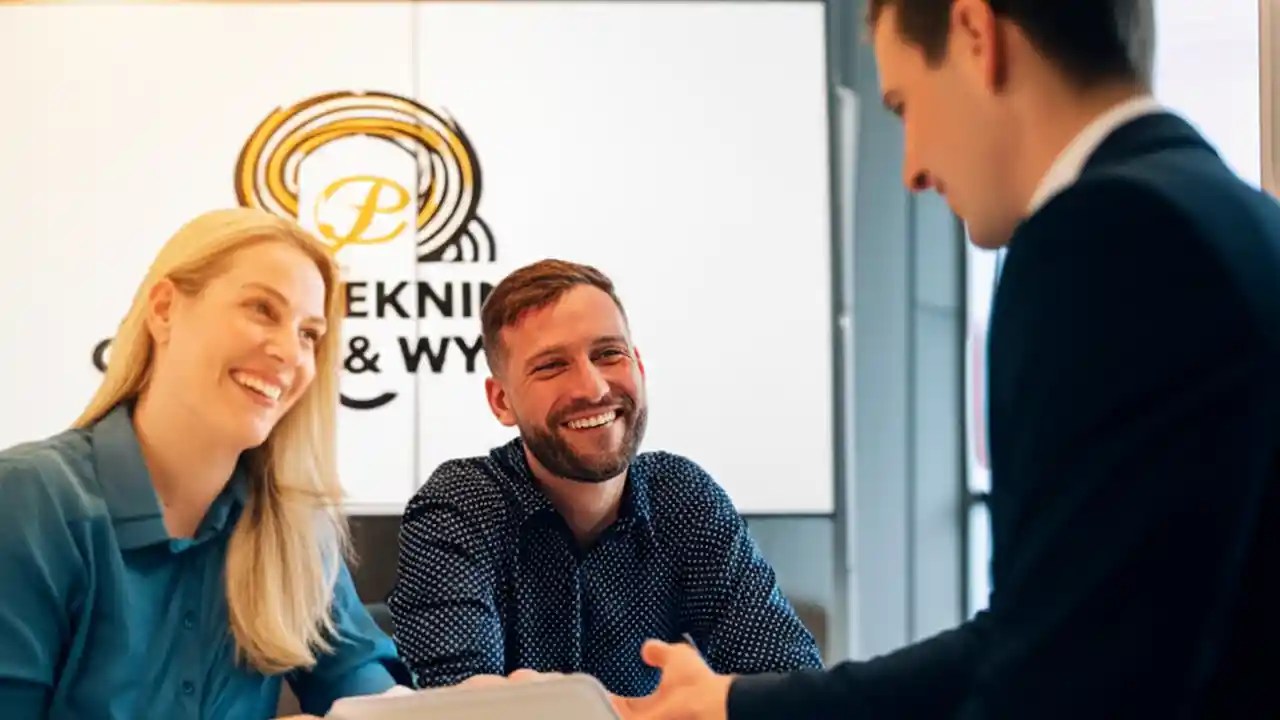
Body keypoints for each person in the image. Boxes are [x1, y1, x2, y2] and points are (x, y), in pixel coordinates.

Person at [621, 0, 1280, 718]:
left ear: (975, 35)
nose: (912, 170)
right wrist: (737, 702)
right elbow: (1040, 626)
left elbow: (1057, 685)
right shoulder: (1233, 216)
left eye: (904, 107)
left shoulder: (1098, 238)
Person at [0, 208, 413, 719]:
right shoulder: (27, 499)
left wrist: (477, 706)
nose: (289, 350)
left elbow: (361, 684)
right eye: (262, 308)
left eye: (309, 333)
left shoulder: (293, 528)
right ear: (165, 309)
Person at [388, 259, 823, 697]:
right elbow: (459, 706)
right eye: (552, 366)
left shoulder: (683, 498)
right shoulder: (458, 506)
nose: (593, 388)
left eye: (608, 354)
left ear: (639, 366)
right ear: (501, 401)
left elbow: (787, 682)